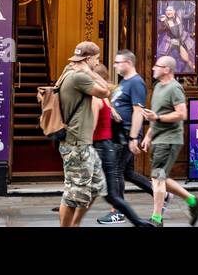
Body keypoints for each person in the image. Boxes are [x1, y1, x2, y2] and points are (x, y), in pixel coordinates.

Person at [140, 55, 198, 226]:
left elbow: (182, 114)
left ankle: (156, 218)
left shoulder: (175, 88)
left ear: (167, 69)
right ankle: (193, 201)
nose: (153, 68)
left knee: (158, 177)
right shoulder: (158, 87)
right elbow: (157, 114)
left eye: (157, 65)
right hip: (159, 138)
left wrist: (158, 118)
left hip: (169, 140)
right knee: (161, 177)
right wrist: (148, 136)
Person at [53, 42, 108, 227]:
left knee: (96, 184)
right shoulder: (78, 77)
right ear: (88, 59)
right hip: (77, 143)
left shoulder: (68, 72)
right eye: (96, 59)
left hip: (80, 142)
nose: (97, 63)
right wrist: (90, 72)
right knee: (72, 193)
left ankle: (75, 224)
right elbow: (105, 90)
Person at [99, 49, 156, 225]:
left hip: (125, 133)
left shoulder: (136, 83)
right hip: (120, 132)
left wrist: (133, 138)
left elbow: (138, 111)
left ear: (129, 63)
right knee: (127, 172)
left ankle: (117, 212)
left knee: (115, 172)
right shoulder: (125, 82)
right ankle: (161, 194)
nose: (114, 65)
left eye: (118, 62)